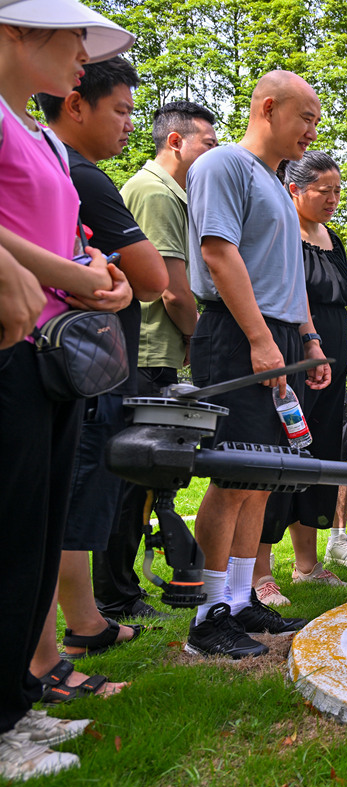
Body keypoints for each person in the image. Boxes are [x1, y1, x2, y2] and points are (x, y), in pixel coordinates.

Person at [0, 0, 135, 779]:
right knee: (12, 540)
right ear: (17, 31)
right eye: (72, 37)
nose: (83, 57)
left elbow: (61, 232)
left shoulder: (38, 132)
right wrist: (68, 273)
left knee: (35, 539)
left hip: (55, 357)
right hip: (14, 351)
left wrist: (100, 276)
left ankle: (16, 704)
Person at [185, 70, 331, 658]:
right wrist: (260, 339)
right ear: (268, 108)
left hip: (279, 337)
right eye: (306, 117)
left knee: (262, 479)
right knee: (232, 477)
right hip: (238, 334)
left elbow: (284, 274)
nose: (312, 130)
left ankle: (242, 602)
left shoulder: (274, 181)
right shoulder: (222, 166)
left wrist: (308, 340)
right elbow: (218, 255)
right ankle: (206, 614)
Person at [32, 57, 168, 671]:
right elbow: (151, 276)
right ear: (75, 103)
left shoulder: (65, 170)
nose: (127, 125)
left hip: (76, 359)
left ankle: (85, 623)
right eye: (121, 110)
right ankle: (68, 637)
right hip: (76, 364)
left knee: (81, 492)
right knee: (78, 495)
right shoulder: (81, 175)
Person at [98, 100, 218, 622]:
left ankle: (121, 590)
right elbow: (170, 290)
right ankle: (116, 595)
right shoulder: (155, 192)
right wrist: (199, 338)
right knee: (130, 478)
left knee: (142, 481)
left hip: (152, 351)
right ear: (176, 142)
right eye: (207, 145)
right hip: (142, 353)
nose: (212, 155)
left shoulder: (170, 192)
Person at [254, 151, 347, 607]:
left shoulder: (330, 236)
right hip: (296, 354)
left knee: (318, 457)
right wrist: (308, 344)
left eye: (338, 190)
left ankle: (307, 565)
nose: (334, 199)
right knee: (280, 456)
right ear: (295, 189)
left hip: (333, 363)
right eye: (325, 191)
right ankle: (260, 572)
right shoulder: (281, 231)